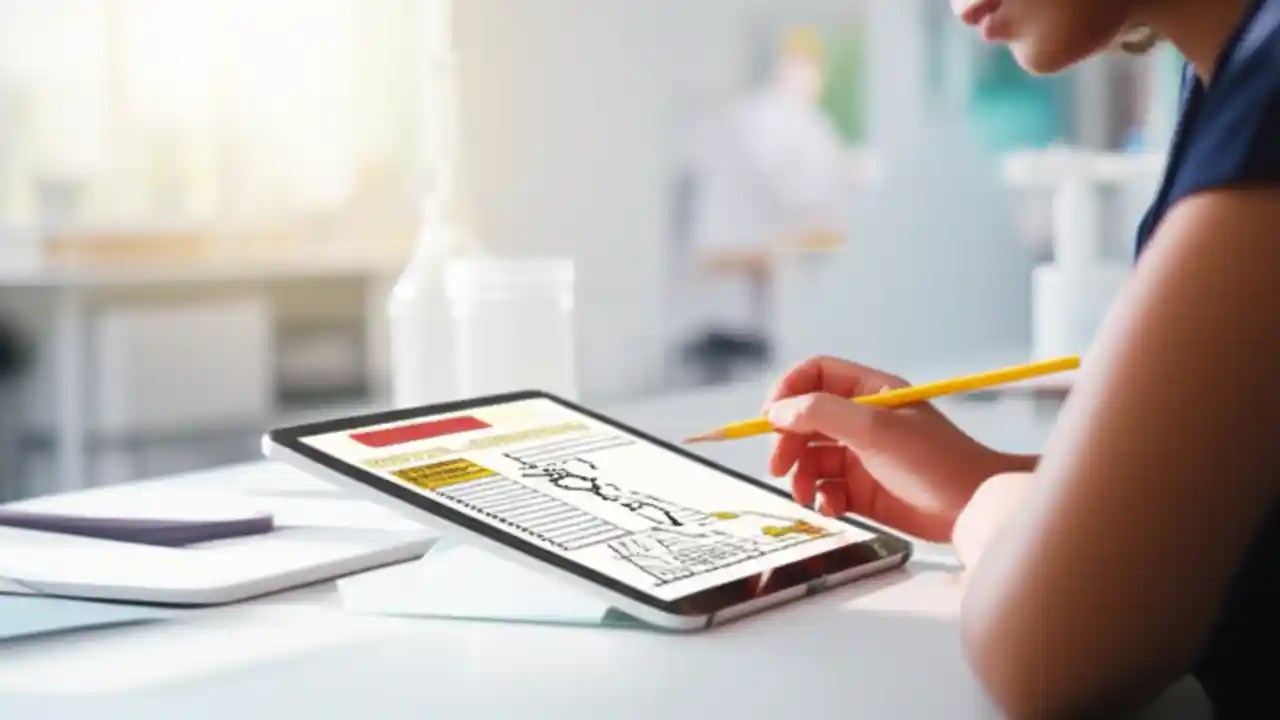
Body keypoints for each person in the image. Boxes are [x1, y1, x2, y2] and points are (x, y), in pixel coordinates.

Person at [761, 0, 1279, 716]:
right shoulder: (1228, 76)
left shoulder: (1268, 88)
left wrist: (992, 510)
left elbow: (1052, 649)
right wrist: (979, 480)